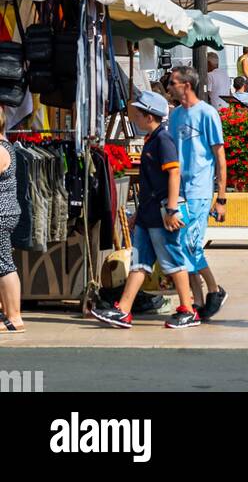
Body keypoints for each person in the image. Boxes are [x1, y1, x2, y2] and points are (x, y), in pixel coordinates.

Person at [92, 91, 200, 330]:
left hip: (162, 214)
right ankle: (123, 310)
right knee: (139, 263)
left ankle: (188, 309)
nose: (135, 117)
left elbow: (174, 173)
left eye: (139, 113)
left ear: (149, 116)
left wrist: (171, 209)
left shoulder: (163, 140)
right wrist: (138, 215)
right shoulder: (153, 139)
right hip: (148, 215)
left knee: (173, 261)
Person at [167, 65, 228, 320]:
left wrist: (221, 198)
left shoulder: (207, 113)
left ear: (187, 85)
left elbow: (220, 157)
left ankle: (214, 289)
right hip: (178, 191)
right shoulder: (175, 116)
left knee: (190, 245)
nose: (169, 87)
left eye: (172, 83)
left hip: (199, 190)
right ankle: (198, 299)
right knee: (183, 246)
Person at [0, 106, 24, 332]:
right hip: (5, 211)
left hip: (2, 213)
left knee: (4, 265)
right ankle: (8, 313)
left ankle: (14, 317)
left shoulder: (0, 148)